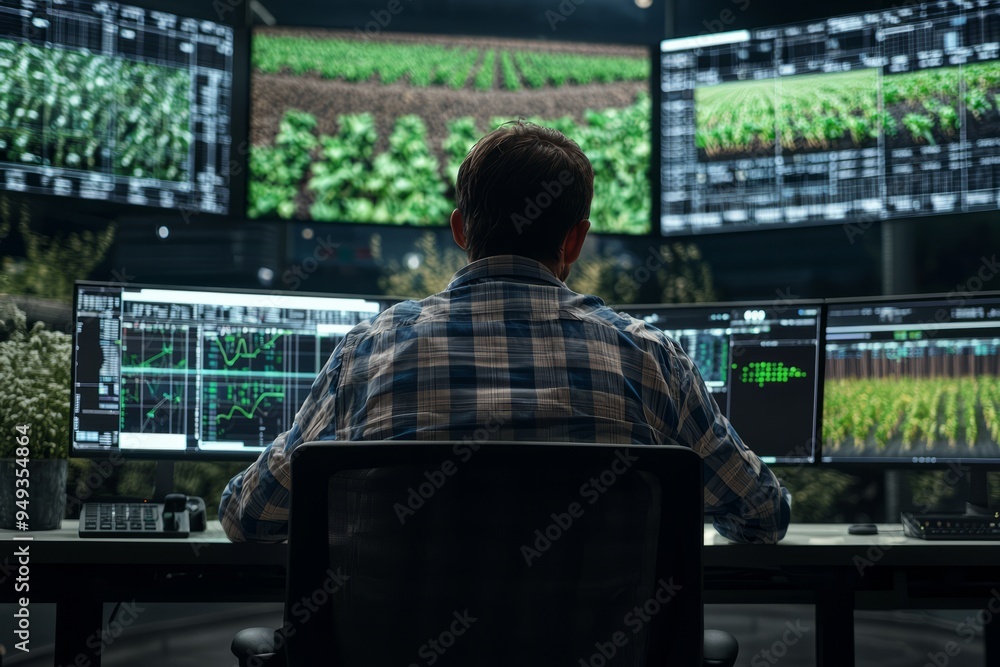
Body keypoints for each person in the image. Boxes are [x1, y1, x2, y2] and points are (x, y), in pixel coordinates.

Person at [220, 120, 791, 544]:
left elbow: (251, 517)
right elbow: (761, 515)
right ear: (574, 241)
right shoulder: (649, 359)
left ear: (461, 230)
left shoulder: (369, 352)